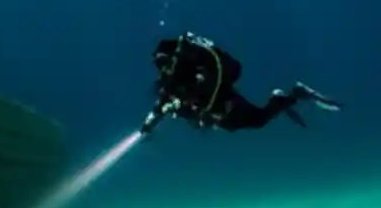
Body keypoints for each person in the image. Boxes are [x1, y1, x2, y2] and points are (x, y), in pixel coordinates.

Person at [139, 32, 341, 136]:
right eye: (158, 64)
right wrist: (150, 123)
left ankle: (291, 95)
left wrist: (182, 105)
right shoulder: (171, 81)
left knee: (258, 120)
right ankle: (284, 99)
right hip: (217, 111)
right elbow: (163, 102)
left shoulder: (195, 71)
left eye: (163, 63)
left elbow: (208, 86)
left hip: (223, 101)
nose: (162, 69)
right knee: (242, 124)